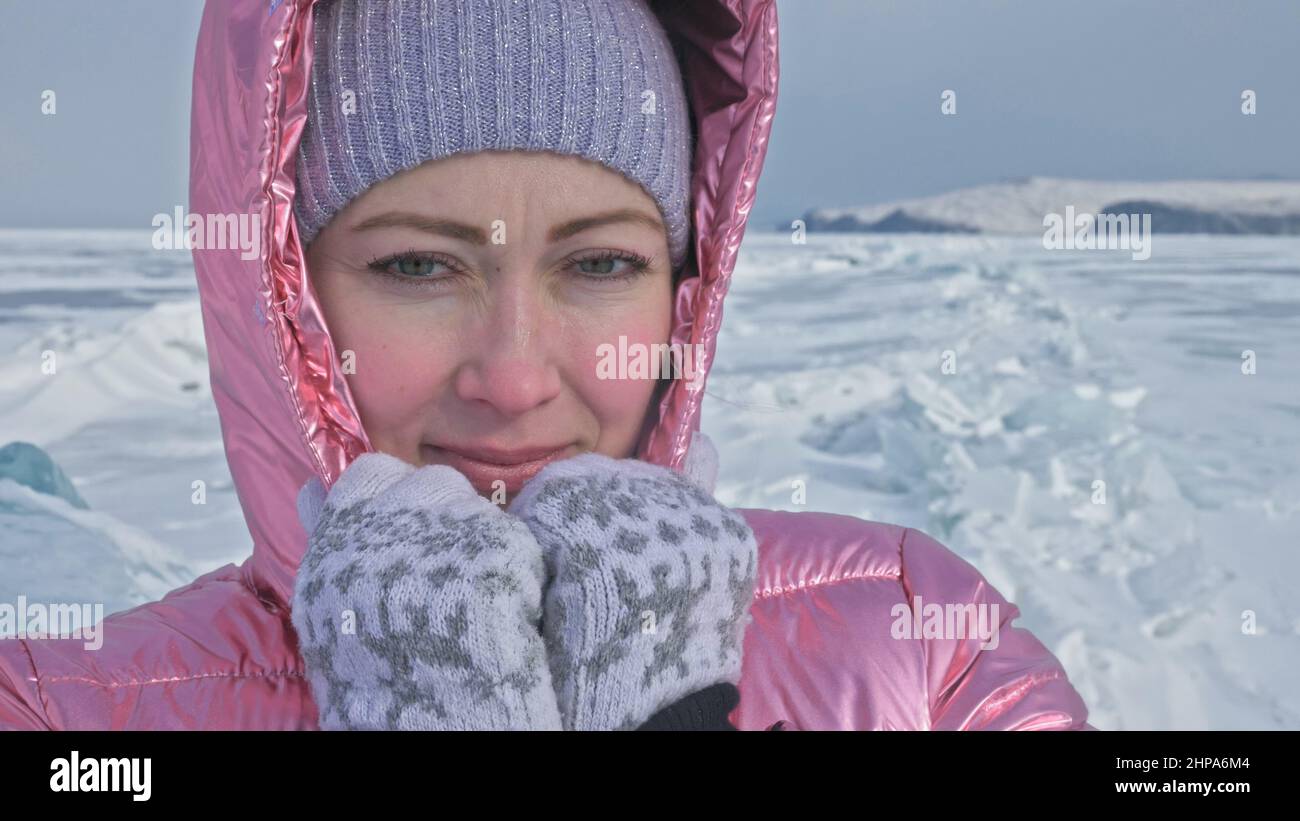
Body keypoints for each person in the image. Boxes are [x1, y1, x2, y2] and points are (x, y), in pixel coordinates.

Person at [0, 0, 1093, 731]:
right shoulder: (69, 710)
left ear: (682, 287)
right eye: (420, 264)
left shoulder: (918, 643)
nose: (513, 377)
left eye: (601, 261)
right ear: (286, 292)